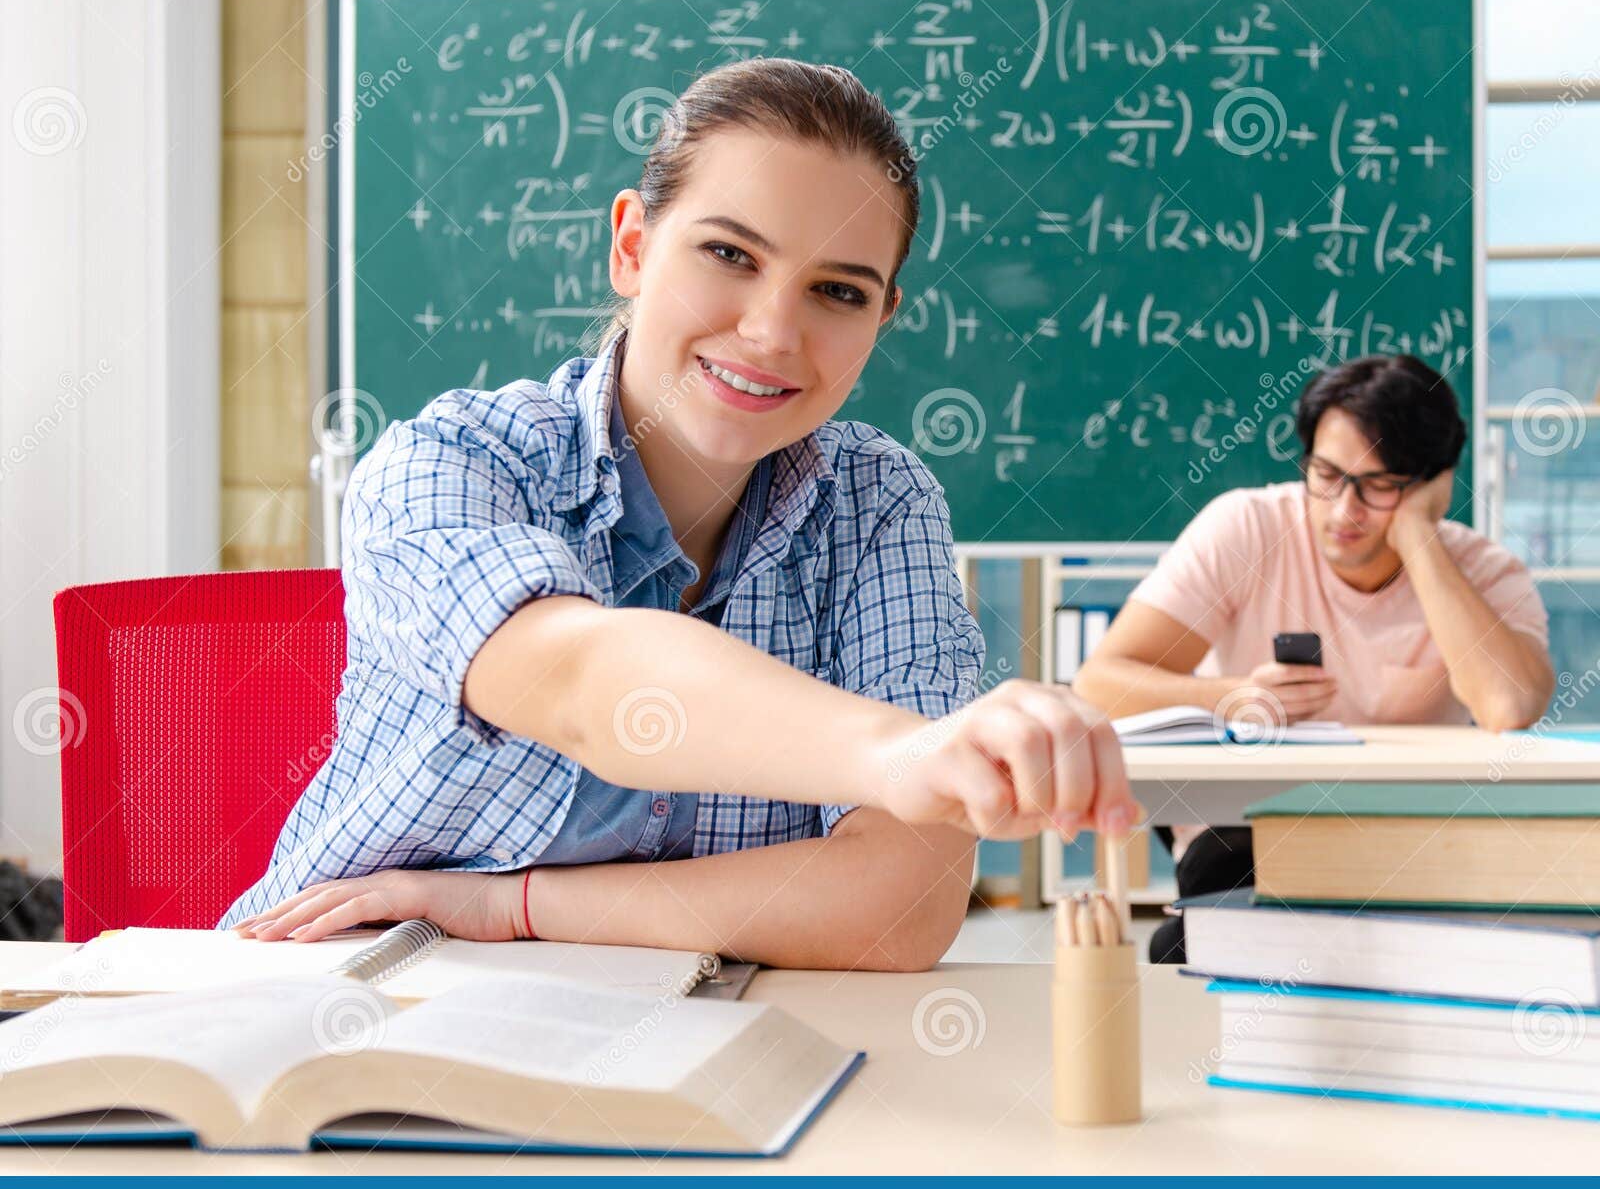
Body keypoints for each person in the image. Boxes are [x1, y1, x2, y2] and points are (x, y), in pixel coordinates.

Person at [221, 59, 1135, 969]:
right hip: (350, 987)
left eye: (838, 291)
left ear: (882, 315)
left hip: (689, 1045)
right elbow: (586, 684)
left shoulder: (879, 504)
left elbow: (898, 909)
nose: (774, 331)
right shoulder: (453, 460)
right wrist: (901, 753)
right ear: (632, 246)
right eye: (730, 255)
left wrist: (513, 905)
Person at [1074, 354, 1553, 961]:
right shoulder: (1246, 527)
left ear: (1435, 485)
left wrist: (1419, 541)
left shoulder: (1485, 574)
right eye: (1327, 474)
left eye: (1379, 486)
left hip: (1407, 838)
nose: (1343, 511)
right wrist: (1234, 696)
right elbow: (1099, 683)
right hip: (1250, 832)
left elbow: (1509, 705)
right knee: (1227, 921)